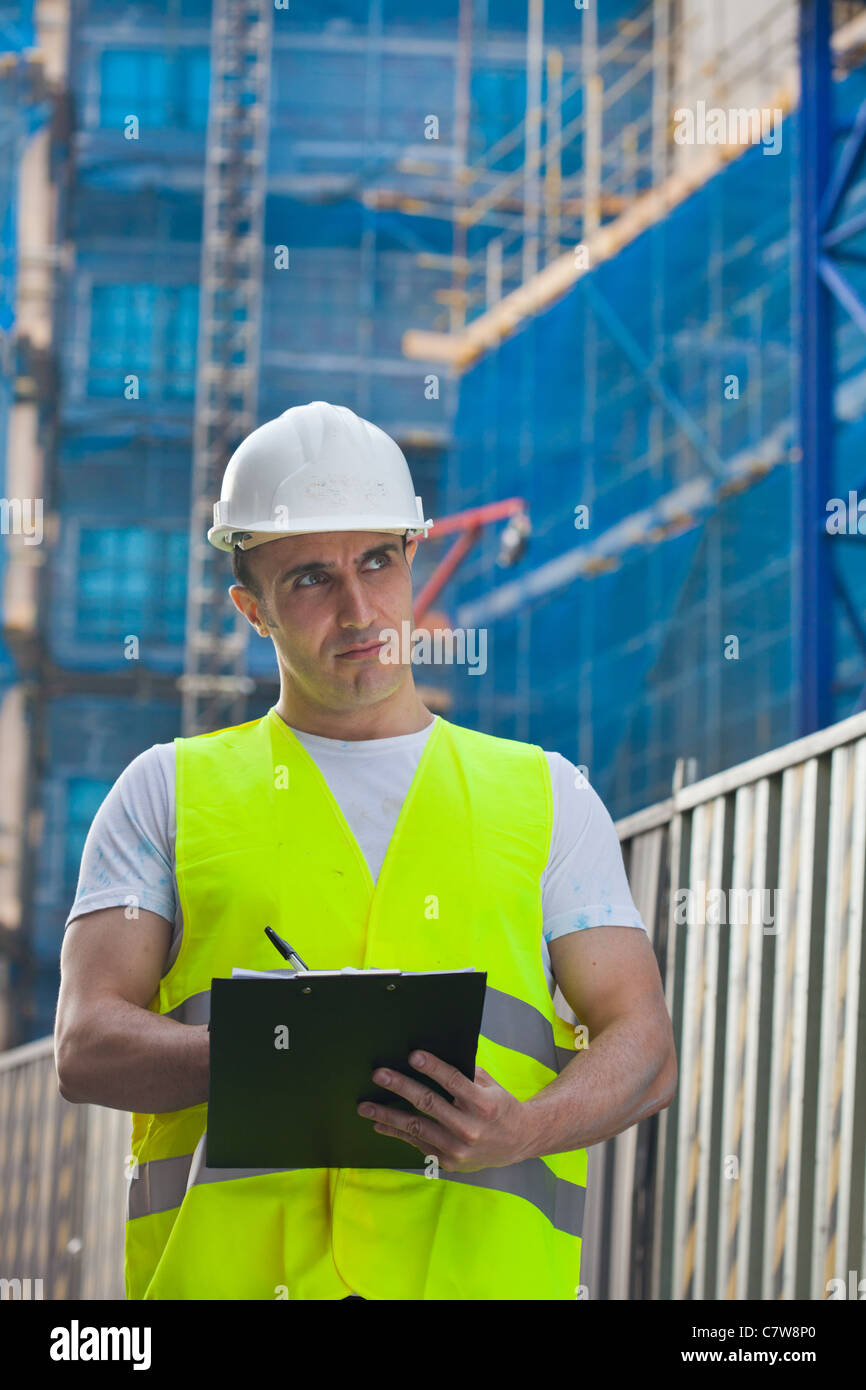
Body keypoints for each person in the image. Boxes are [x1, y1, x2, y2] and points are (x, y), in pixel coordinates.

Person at [55, 401, 677, 1300]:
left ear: (412, 559)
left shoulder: (546, 796)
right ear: (251, 608)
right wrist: (279, 1048)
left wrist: (524, 1127)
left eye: (377, 562)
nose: (359, 609)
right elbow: (84, 1043)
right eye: (309, 578)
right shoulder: (167, 792)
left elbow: (644, 1042)